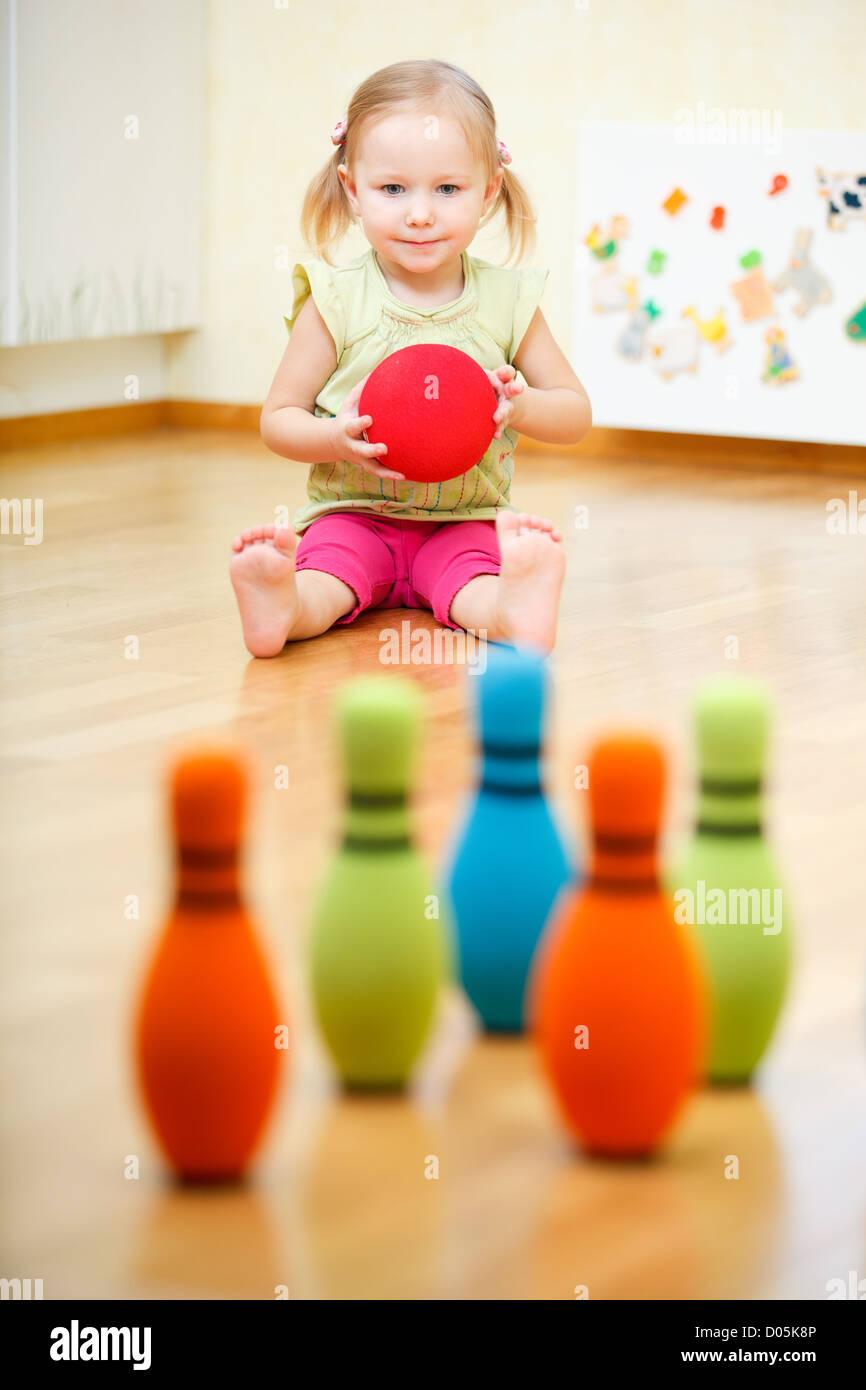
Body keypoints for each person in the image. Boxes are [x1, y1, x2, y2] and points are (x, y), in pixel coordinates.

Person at [230, 59, 591, 658]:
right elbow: (278, 420)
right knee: (330, 577)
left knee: (472, 580)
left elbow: (575, 414)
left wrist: (521, 407)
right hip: (354, 513)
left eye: (447, 189)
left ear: (488, 191)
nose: (419, 212)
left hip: (464, 518)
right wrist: (334, 438)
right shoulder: (337, 300)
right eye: (392, 188)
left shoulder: (508, 301)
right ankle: (285, 605)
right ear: (352, 188)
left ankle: (511, 611)